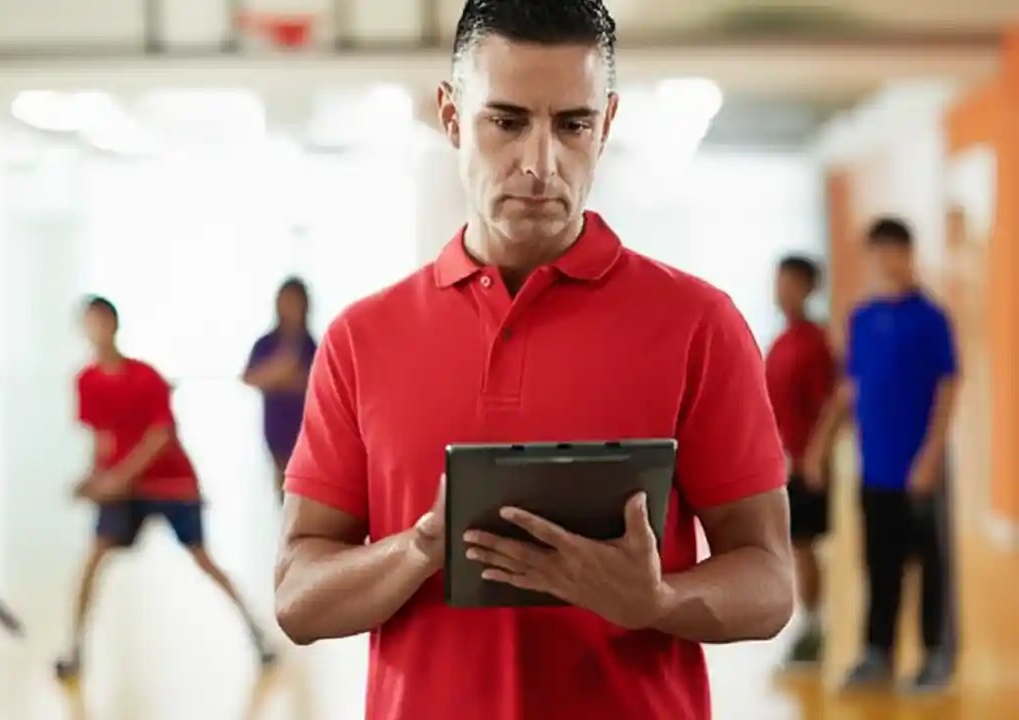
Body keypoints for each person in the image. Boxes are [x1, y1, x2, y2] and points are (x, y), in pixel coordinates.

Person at [271, 2, 794, 719]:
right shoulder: (363, 337)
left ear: (606, 124)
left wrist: (657, 601)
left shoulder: (699, 323)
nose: (540, 164)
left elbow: (768, 581)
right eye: (507, 121)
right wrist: (423, 546)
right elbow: (299, 599)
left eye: (572, 125)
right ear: (452, 118)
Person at [56, 296, 276, 690]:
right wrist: (91, 479)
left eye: (102, 321)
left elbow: (160, 436)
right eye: (89, 323)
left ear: (114, 325)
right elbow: (102, 439)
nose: (96, 330)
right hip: (125, 491)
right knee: (92, 560)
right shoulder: (86, 381)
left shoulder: (146, 378)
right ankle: (74, 650)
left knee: (204, 560)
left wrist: (120, 478)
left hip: (171, 485)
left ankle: (257, 634)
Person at [805, 217, 959, 694]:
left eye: (892, 252)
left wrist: (931, 456)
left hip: (921, 469)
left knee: (931, 567)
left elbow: (948, 387)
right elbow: (850, 390)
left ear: (907, 254)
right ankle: (878, 653)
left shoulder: (932, 318)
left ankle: (937, 655)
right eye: (876, 253)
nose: (884, 261)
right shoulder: (862, 318)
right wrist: (821, 445)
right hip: (875, 467)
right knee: (879, 564)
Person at [765, 256, 836, 667]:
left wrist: (816, 456)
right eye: (779, 282)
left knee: (805, 545)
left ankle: (813, 629)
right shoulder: (780, 342)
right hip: (780, 464)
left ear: (808, 288)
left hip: (805, 463)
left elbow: (832, 404)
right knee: (794, 545)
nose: (781, 290)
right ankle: (805, 626)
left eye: (790, 282)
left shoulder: (815, 342)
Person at [242, 277, 317, 503]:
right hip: (276, 429)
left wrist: (285, 378)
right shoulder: (266, 343)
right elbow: (250, 377)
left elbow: (313, 383)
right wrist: (279, 372)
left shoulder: (311, 344)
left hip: (306, 430)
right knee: (283, 489)